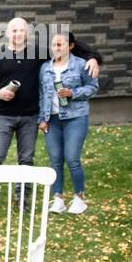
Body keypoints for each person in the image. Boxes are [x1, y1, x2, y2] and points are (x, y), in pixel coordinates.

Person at [0, 17, 101, 210]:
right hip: (4, 115)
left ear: (27, 33)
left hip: (30, 116)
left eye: (22, 30)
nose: (18, 34)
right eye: (14, 30)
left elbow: (69, 48)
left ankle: (23, 199)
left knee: (26, 159)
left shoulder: (39, 54)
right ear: (8, 33)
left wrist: (92, 57)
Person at [38, 32, 99, 215]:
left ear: (70, 46)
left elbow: (93, 87)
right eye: (54, 45)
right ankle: (58, 199)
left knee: (72, 159)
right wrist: (42, 119)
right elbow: (42, 95)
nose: (56, 48)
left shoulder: (81, 65)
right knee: (55, 160)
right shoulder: (45, 68)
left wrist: (73, 93)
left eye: (60, 44)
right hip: (52, 120)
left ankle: (79, 198)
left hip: (76, 118)